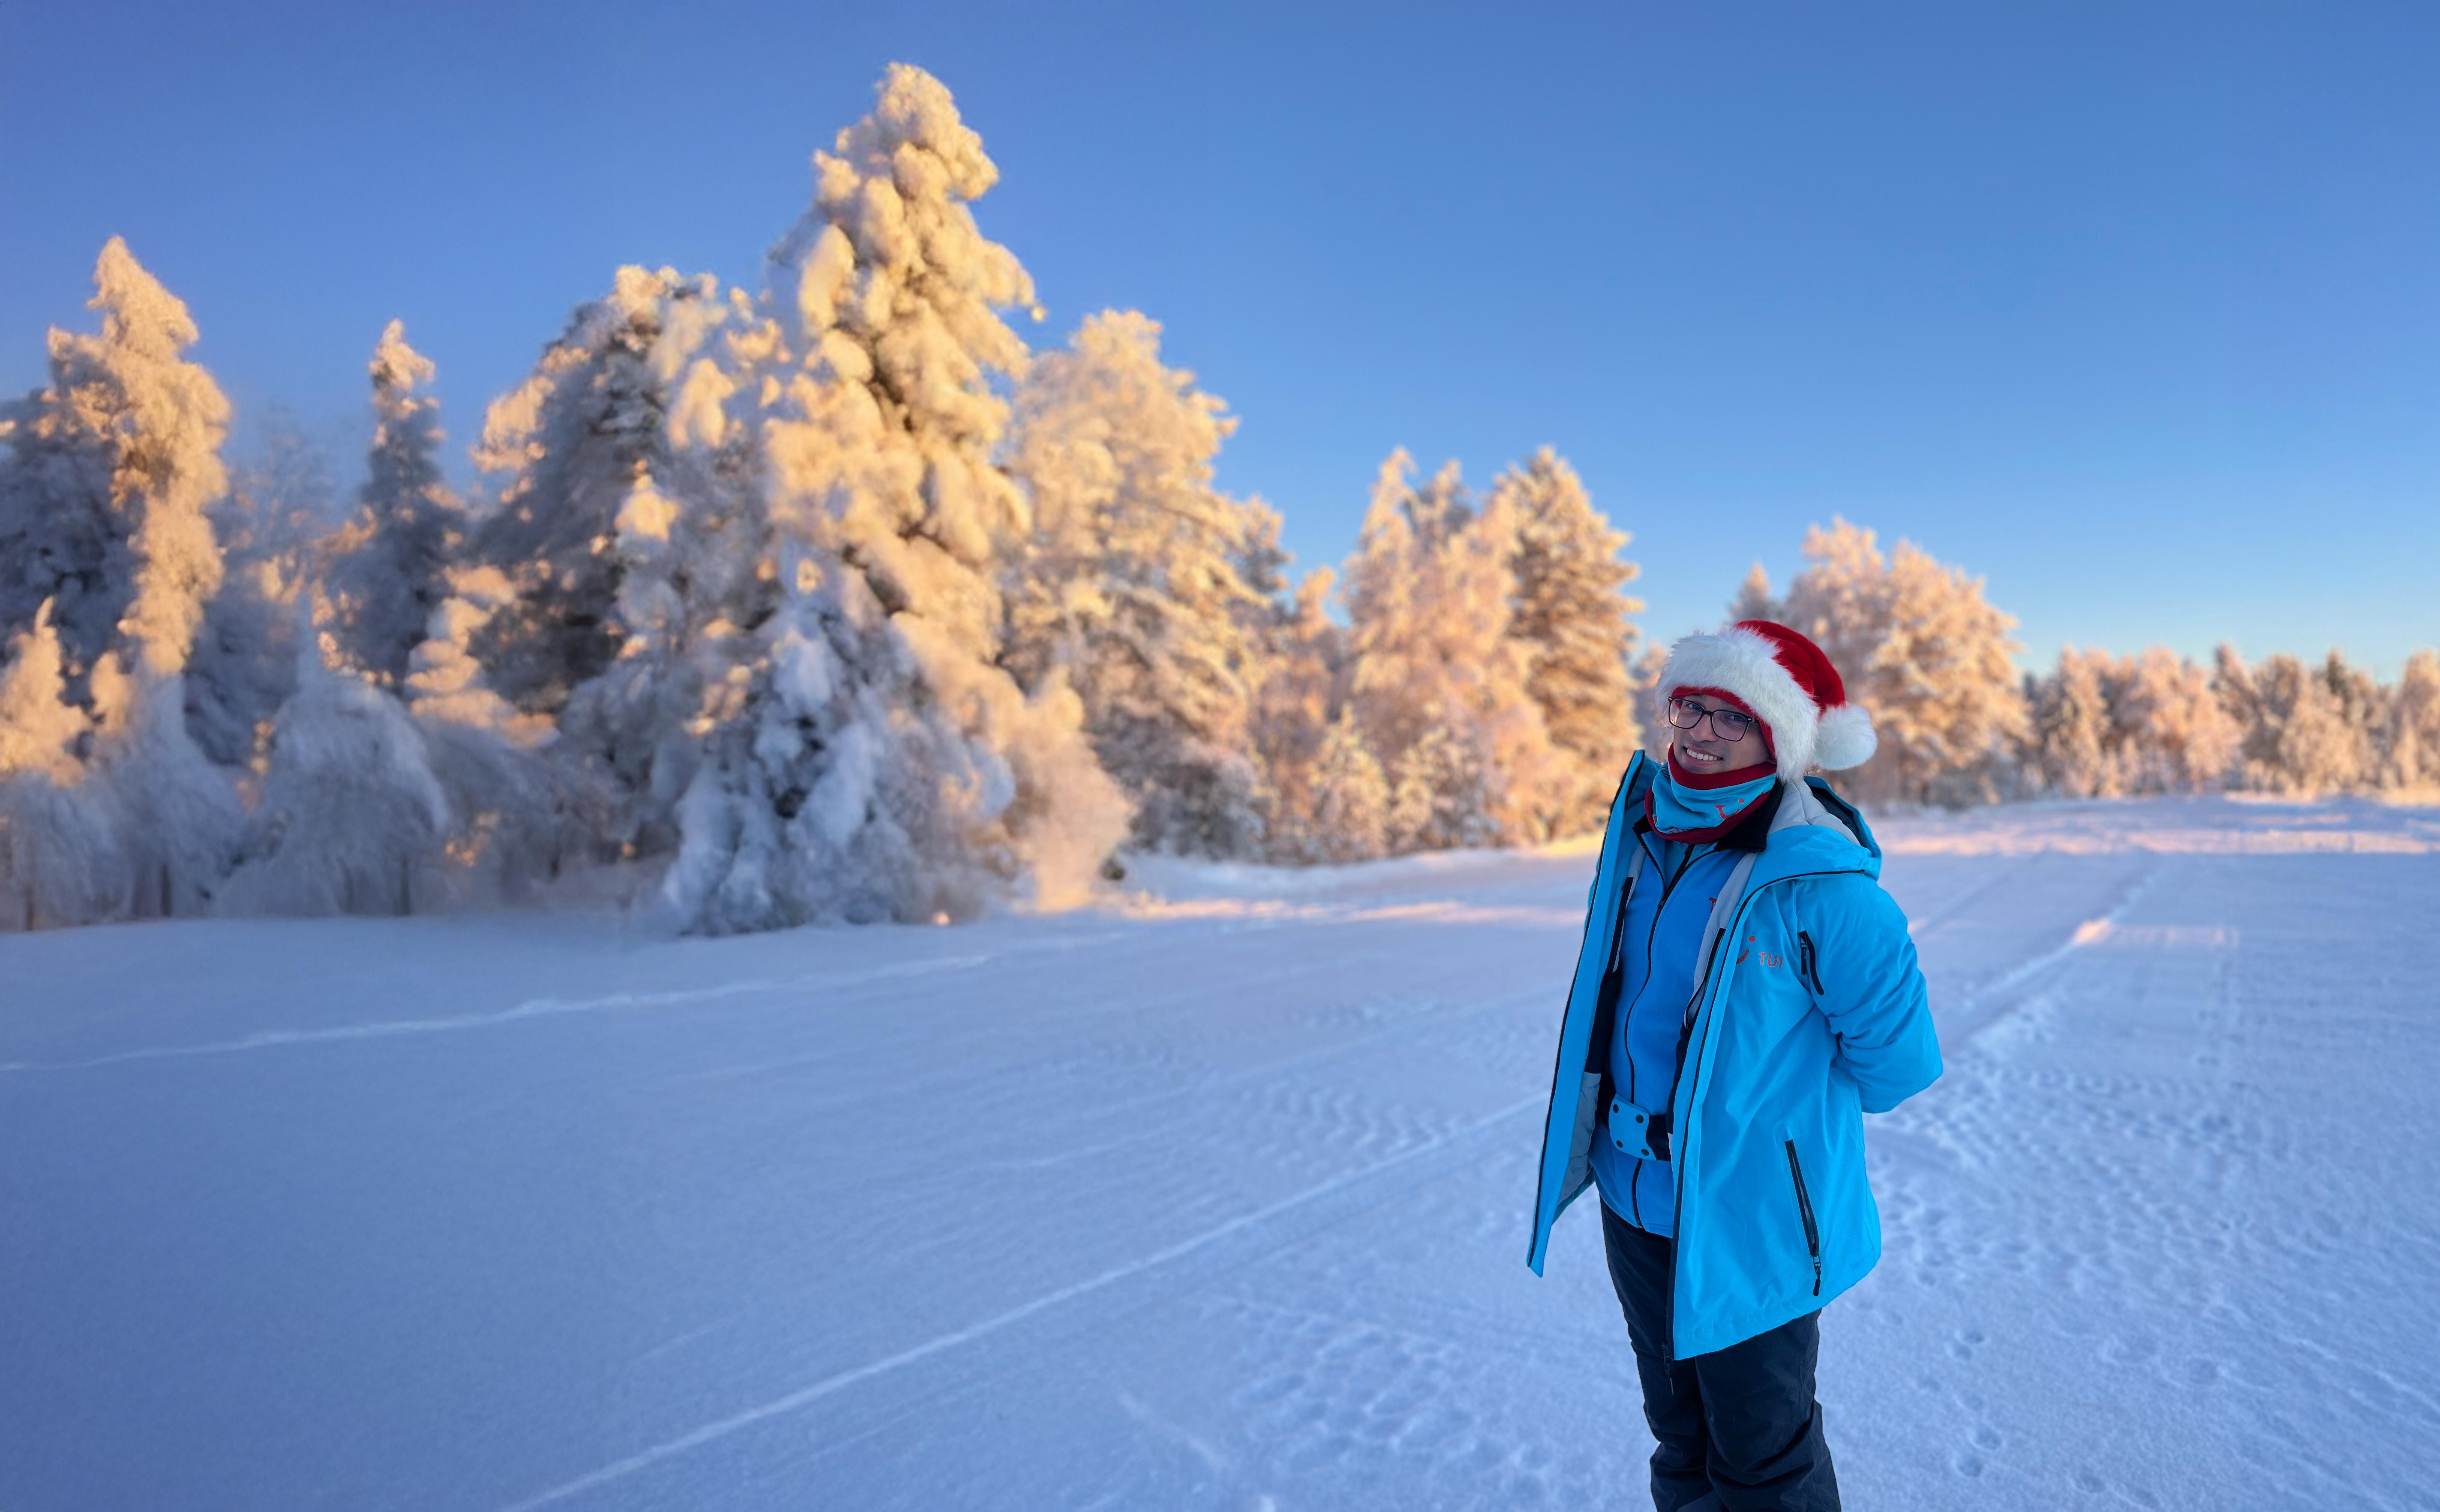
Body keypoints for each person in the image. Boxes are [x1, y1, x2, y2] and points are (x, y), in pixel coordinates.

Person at [1525, 619, 1943, 1512]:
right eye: (1689, 704)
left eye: (1734, 716)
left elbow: (1897, 1066)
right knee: (1679, 1439)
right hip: (1631, 1197)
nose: (1700, 730)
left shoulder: (1823, 889)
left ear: (1780, 738)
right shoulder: (1640, 835)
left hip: (1752, 1214)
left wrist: (1770, 1105)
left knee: (1763, 1463)